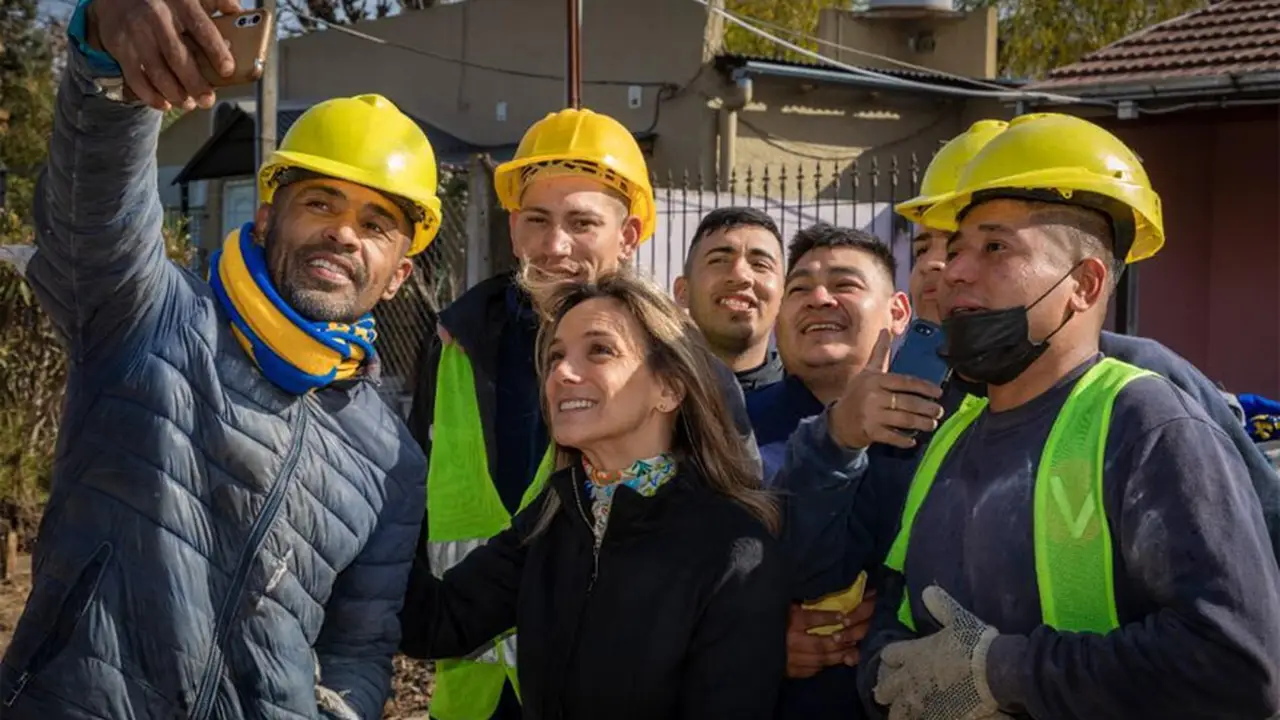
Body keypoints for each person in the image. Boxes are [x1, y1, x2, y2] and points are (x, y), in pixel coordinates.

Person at [0, 0, 435, 717]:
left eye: (376, 224)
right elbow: (93, 209)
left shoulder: (392, 461)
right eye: (320, 203)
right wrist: (109, 59)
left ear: (398, 275)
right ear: (265, 220)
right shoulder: (151, 317)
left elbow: (359, 645)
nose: (343, 234)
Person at [852, 112, 1280, 719]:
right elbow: (896, 614)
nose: (955, 270)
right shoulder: (950, 433)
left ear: (1084, 284)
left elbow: (1237, 667)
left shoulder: (1147, 425)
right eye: (956, 248)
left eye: (995, 247)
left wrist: (1002, 672)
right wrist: (891, 676)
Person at [403, 107, 758, 720]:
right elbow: (409, 513)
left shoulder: (688, 371)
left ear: (629, 234)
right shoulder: (455, 346)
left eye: (582, 222)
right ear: (513, 227)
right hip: (473, 699)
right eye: (537, 220)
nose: (554, 245)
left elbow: (738, 539)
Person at [401, 265, 788, 719]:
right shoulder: (555, 516)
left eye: (600, 350)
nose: (561, 373)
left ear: (668, 388)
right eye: (555, 357)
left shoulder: (734, 551)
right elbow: (439, 622)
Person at [902, 120, 1280, 562]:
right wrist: (843, 446)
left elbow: (1248, 536)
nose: (943, 268)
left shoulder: (1144, 392)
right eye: (929, 247)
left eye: (993, 246)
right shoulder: (920, 384)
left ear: (1084, 281)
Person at [747, 223, 911, 480]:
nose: (819, 299)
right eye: (799, 289)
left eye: (844, 284)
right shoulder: (728, 427)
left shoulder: (933, 424)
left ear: (897, 313)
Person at [674, 206, 785, 392]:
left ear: (784, 296)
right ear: (683, 291)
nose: (740, 275)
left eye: (760, 264)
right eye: (719, 260)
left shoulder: (816, 400)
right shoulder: (639, 392)